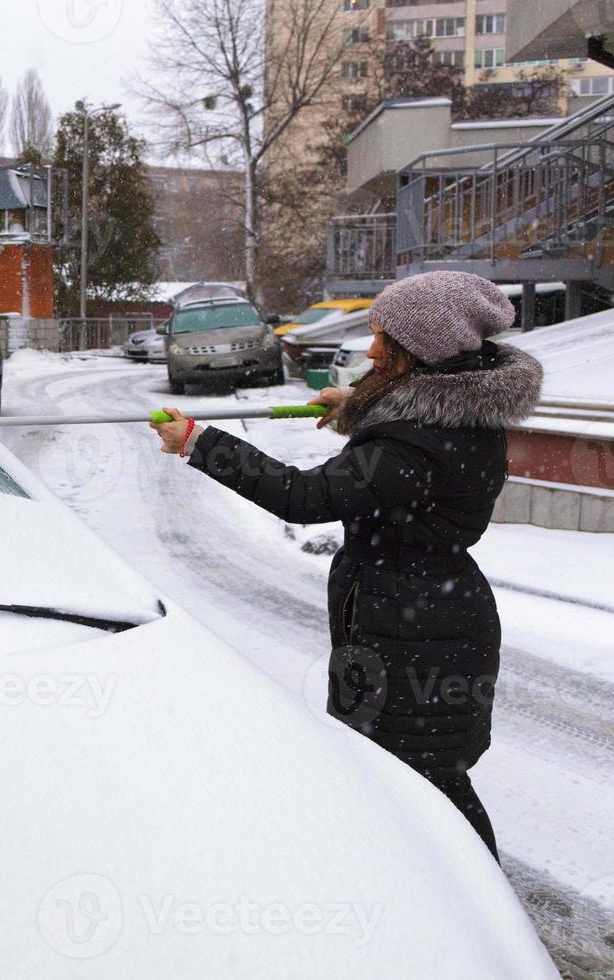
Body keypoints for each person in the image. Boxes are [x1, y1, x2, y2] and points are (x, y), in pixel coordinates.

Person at [149, 271, 543, 859]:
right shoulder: (451, 411)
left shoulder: (416, 444)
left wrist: (200, 443)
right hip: (422, 617)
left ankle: (478, 918)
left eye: (385, 339)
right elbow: (405, 419)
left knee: (423, 785)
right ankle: (442, 899)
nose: (372, 350)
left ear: (425, 349)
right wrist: (355, 404)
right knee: (415, 781)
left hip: (416, 634)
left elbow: (305, 497)